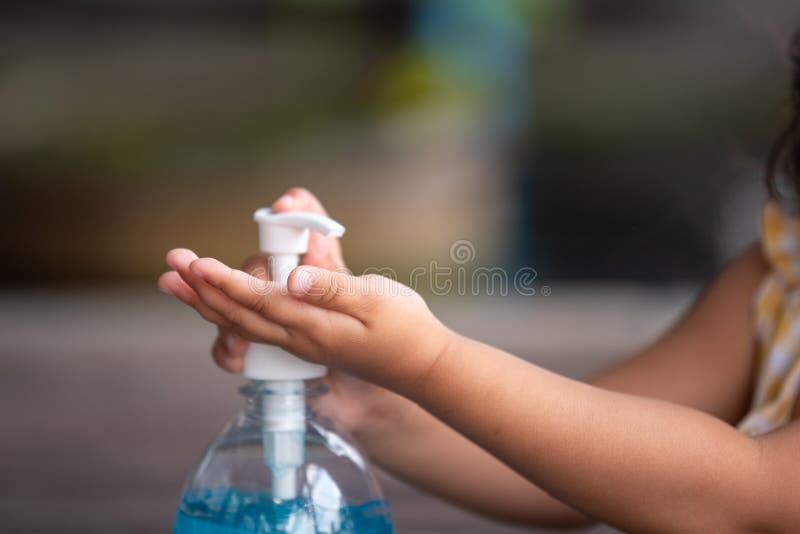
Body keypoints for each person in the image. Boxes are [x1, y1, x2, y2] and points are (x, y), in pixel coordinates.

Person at [157, 37, 800, 533]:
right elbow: (574, 459)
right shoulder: (778, 278)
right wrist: (370, 392)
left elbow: (751, 505)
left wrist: (429, 358)